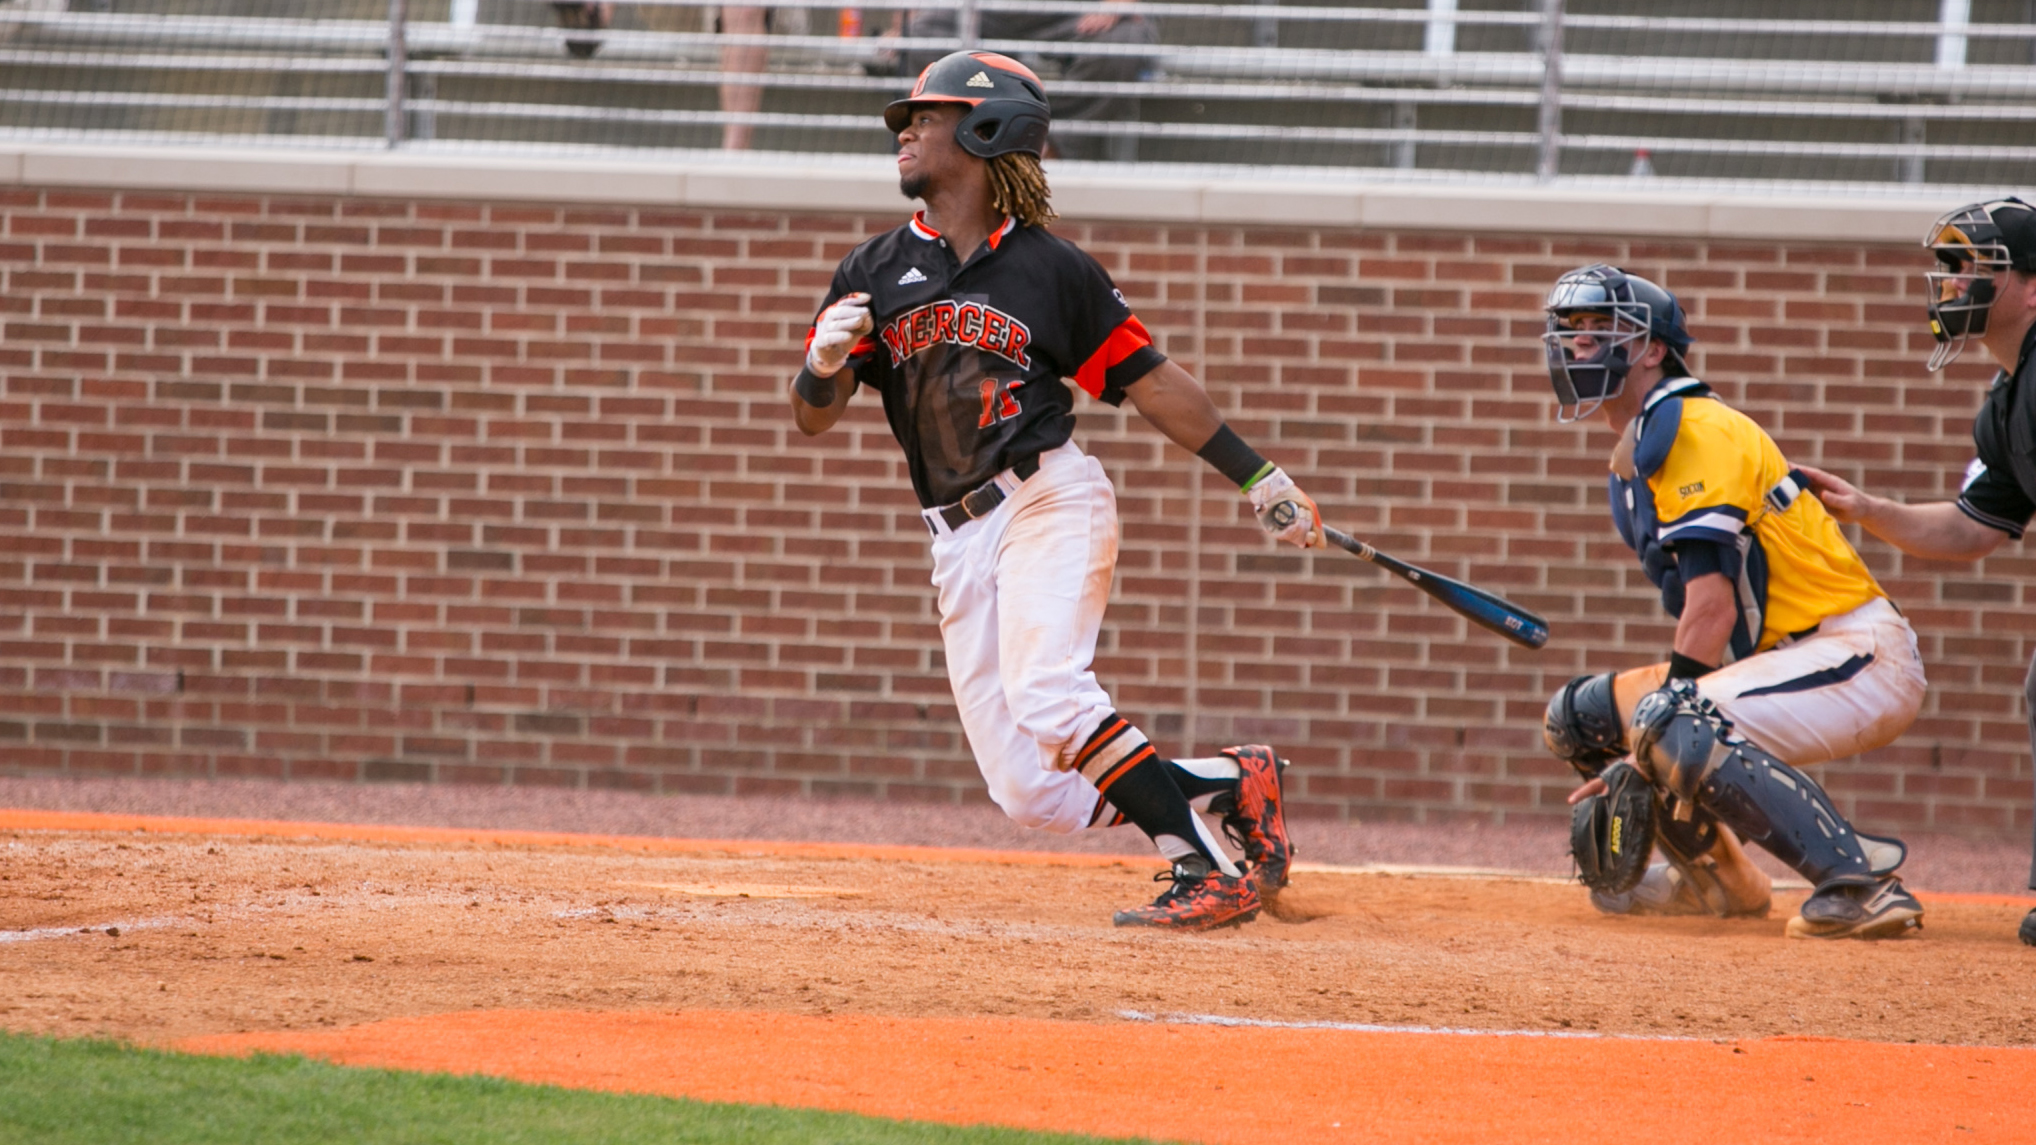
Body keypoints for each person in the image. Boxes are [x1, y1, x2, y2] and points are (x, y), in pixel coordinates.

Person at [788, 50, 1317, 929]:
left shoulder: (1051, 269)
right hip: (955, 535)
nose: (906, 130)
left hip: (1046, 500)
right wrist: (822, 361)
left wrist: (1258, 477)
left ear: (988, 129)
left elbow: (1150, 381)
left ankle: (1203, 864)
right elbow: (814, 417)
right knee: (1029, 789)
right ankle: (1230, 784)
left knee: (1048, 691)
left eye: (928, 114)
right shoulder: (872, 270)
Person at [1537, 264, 1929, 940]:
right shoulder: (1638, 451)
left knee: (1667, 718)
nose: (1581, 344)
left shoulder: (1694, 427)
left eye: (1601, 328)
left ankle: (1859, 883)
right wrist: (1645, 737)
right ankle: (1722, 880)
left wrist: (1653, 743)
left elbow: (1712, 609)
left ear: (1653, 347)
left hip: (1856, 652)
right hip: (1790, 659)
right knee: (1581, 718)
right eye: (1571, 331)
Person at [1801, 198, 2036, 947]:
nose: (1955, 282)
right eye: (1953, 267)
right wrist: (1868, 509)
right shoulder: (2006, 401)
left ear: (2033, 288)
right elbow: (1974, 527)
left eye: (1978, 268)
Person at [892, 0, 1158, 161]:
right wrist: (903, 20)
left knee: (1124, 41)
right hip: (987, 9)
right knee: (920, 34)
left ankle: (1047, 148)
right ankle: (975, 143)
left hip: (1072, 11)